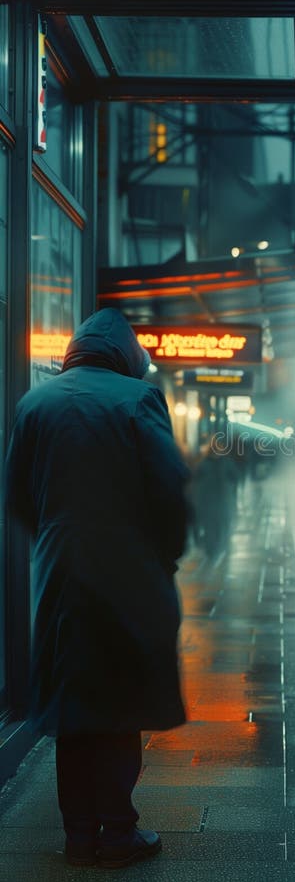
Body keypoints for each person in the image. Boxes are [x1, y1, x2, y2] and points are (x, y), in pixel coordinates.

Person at [4, 308, 190, 868]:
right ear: (126, 354)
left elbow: (15, 495)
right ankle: (118, 830)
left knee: (74, 703)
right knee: (120, 700)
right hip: (126, 574)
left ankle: (78, 834)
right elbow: (168, 492)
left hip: (60, 575)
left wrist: (56, 539)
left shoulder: (34, 403)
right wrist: (164, 555)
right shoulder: (138, 399)